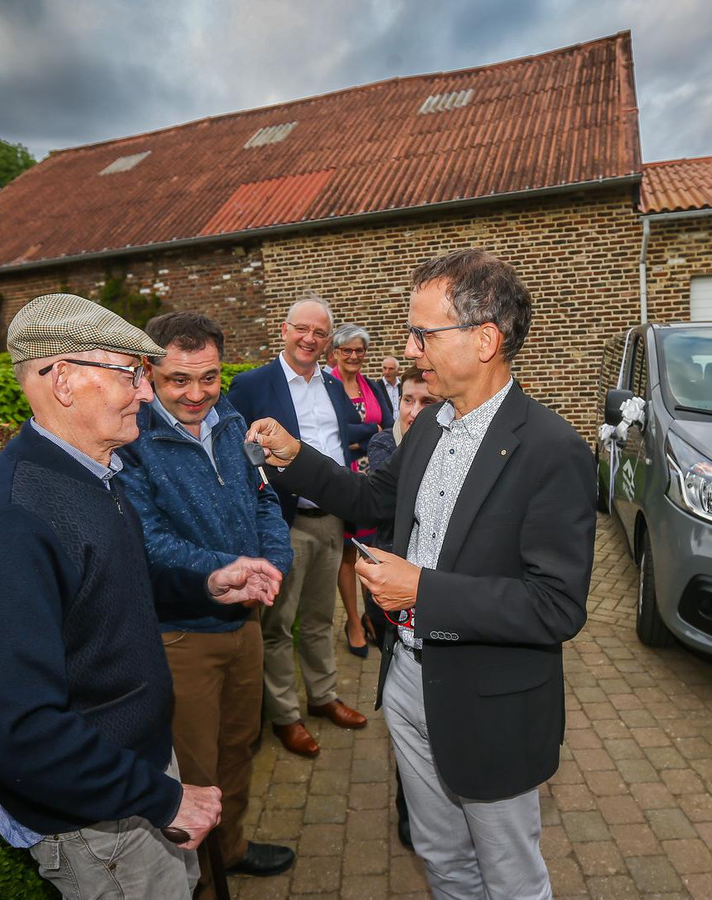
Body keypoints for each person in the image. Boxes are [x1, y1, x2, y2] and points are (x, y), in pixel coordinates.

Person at [247, 249, 596, 899]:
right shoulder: (431, 425)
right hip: (405, 681)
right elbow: (370, 500)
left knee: (510, 875)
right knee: (439, 852)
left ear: (485, 338)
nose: (409, 350)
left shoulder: (554, 451)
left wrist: (424, 592)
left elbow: (556, 606)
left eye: (422, 334)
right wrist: (296, 458)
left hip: (487, 702)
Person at [0, 293, 281, 899]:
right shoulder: (9, 525)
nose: (146, 395)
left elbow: (113, 587)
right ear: (62, 380)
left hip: (131, 777)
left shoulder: (94, 475)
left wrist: (204, 582)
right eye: (130, 374)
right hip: (98, 818)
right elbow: (21, 732)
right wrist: (162, 797)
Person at [117, 311, 297, 893]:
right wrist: (222, 572)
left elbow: (266, 500)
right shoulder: (132, 439)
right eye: (178, 381)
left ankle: (233, 848)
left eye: (210, 378)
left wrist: (273, 565)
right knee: (193, 774)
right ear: (148, 373)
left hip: (245, 626)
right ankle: (192, 878)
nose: (196, 394)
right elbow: (146, 539)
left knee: (240, 749)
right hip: (181, 635)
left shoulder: (233, 419)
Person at [226, 293, 369, 758]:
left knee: (319, 619)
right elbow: (235, 453)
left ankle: (324, 696)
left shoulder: (332, 385)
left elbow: (346, 443)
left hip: (329, 520)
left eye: (319, 332)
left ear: (328, 340)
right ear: (285, 330)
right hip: (282, 522)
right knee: (278, 624)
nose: (309, 338)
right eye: (301, 329)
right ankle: (286, 715)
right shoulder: (251, 385)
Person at [364, 364, 442, 852]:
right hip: (392, 608)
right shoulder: (387, 448)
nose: (413, 412)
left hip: (438, 609)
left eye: (424, 402)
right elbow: (373, 499)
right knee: (407, 725)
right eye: (406, 401)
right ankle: (409, 808)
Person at [329, 323, 394, 658]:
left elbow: (390, 423)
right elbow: (336, 431)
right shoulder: (328, 384)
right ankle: (354, 621)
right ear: (335, 352)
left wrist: (364, 433)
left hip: (374, 478)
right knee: (347, 552)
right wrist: (371, 430)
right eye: (347, 350)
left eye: (359, 350)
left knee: (372, 547)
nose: (354, 356)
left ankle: (375, 614)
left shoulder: (371, 384)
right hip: (343, 478)